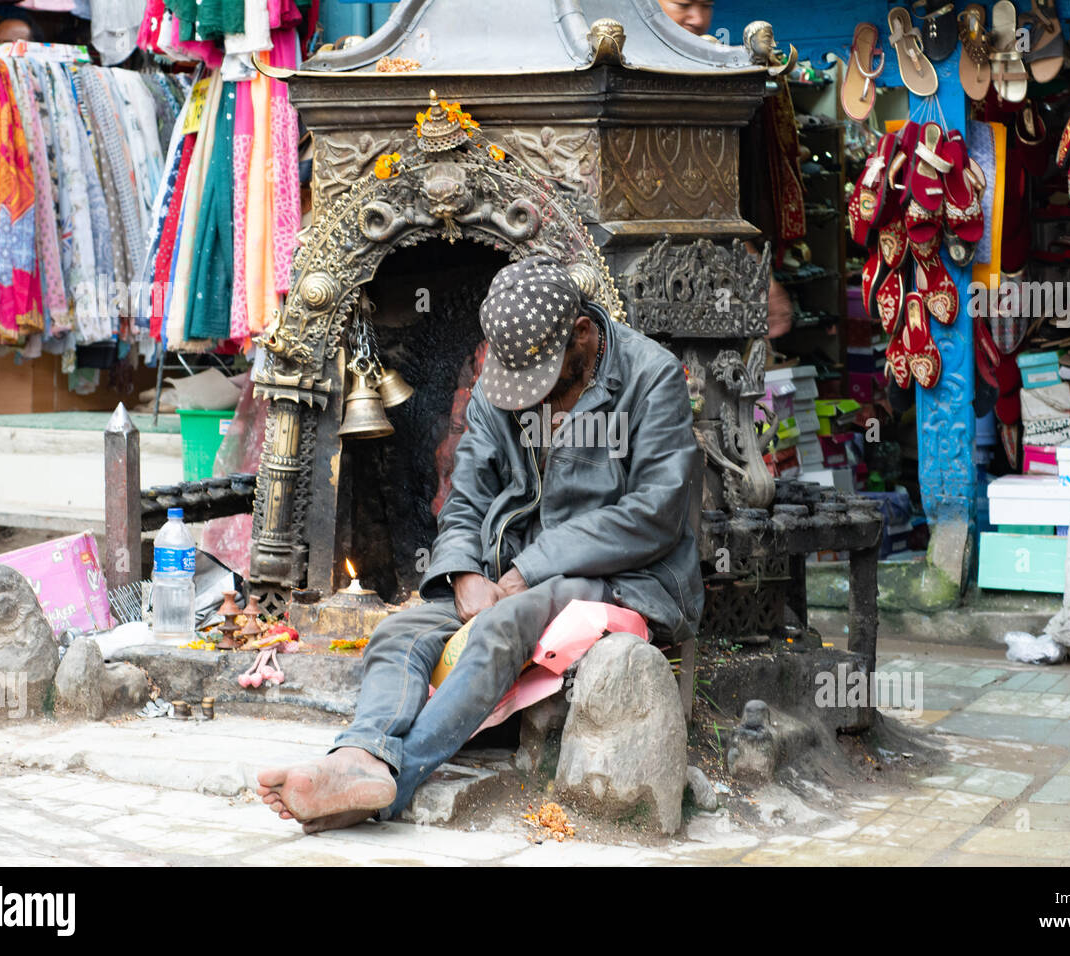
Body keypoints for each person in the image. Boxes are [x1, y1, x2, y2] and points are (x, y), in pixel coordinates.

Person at [258, 255, 704, 832]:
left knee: (501, 625)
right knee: (399, 630)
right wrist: (465, 570)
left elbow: (655, 513)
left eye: (544, 384)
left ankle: (390, 781)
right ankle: (355, 757)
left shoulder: (652, 376)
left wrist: (529, 568)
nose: (529, 400)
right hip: (510, 573)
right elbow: (466, 497)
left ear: (583, 337)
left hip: (628, 576)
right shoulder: (505, 377)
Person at [657, 0, 794, 339]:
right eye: (683, 4)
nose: (699, 18)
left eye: (706, 6)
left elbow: (711, 192)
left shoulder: (709, 73)